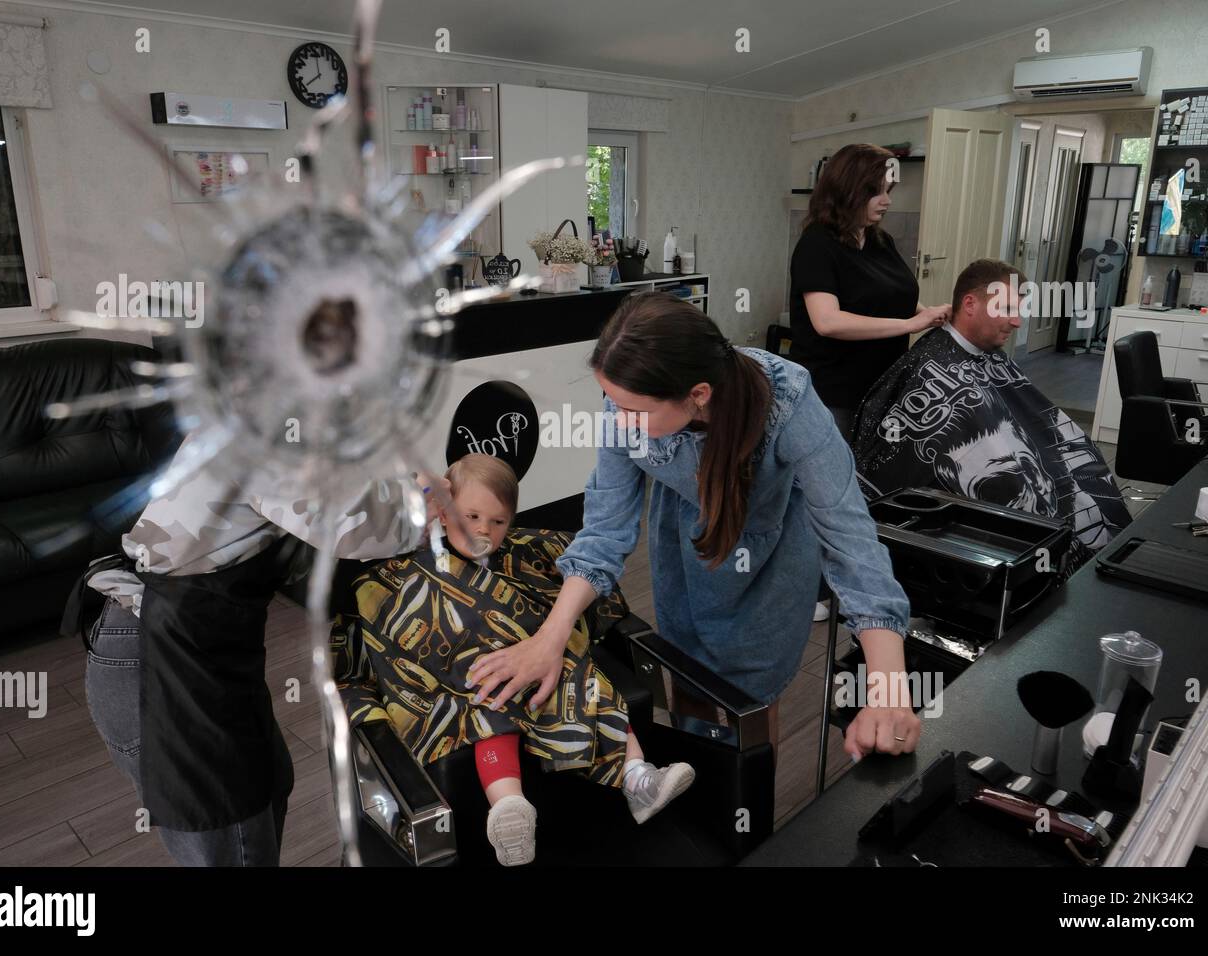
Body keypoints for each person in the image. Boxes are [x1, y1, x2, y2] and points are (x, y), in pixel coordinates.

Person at [463, 292, 922, 762]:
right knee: (688, 676)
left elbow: (850, 538)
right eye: (612, 403)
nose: (620, 422)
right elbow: (604, 530)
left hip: (770, 561)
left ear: (698, 395)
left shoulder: (787, 400)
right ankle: (702, 778)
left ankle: (751, 800)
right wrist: (549, 639)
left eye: (635, 412)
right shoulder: (627, 407)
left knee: (754, 703)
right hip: (684, 549)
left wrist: (887, 687)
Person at [76, 432, 439, 866]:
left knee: (270, 785)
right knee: (237, 834)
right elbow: (354, 527)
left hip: (210, 649)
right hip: (158, 655)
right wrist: (432, 505)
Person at [336, 453, 694, 866]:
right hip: (473, 674)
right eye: (470, 516)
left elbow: (553, 588)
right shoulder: (416, 560)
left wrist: (547, 638)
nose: (482, 530)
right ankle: (509, 809)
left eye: (498, 522)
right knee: (486, 705)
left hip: (538, 659)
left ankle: (638, 778)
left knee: (587, 683)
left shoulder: (516, 555)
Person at [852, 258, 1132, 575]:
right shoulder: (928, 370)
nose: (1016, 322)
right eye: (1008, 309)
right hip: (970, 527)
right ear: (970, 304)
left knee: (1083, 457)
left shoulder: (985, 356)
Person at [789, 143, 950, 437]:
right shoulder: (817, 245)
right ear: (847, 191)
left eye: (889, 190)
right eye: (876, 191)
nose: (886, 201)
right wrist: (910, 325)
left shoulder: (880, 240)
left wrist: (930, 314)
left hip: (883, 386)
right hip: (834, 393)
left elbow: (895, 293)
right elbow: (827, 322)